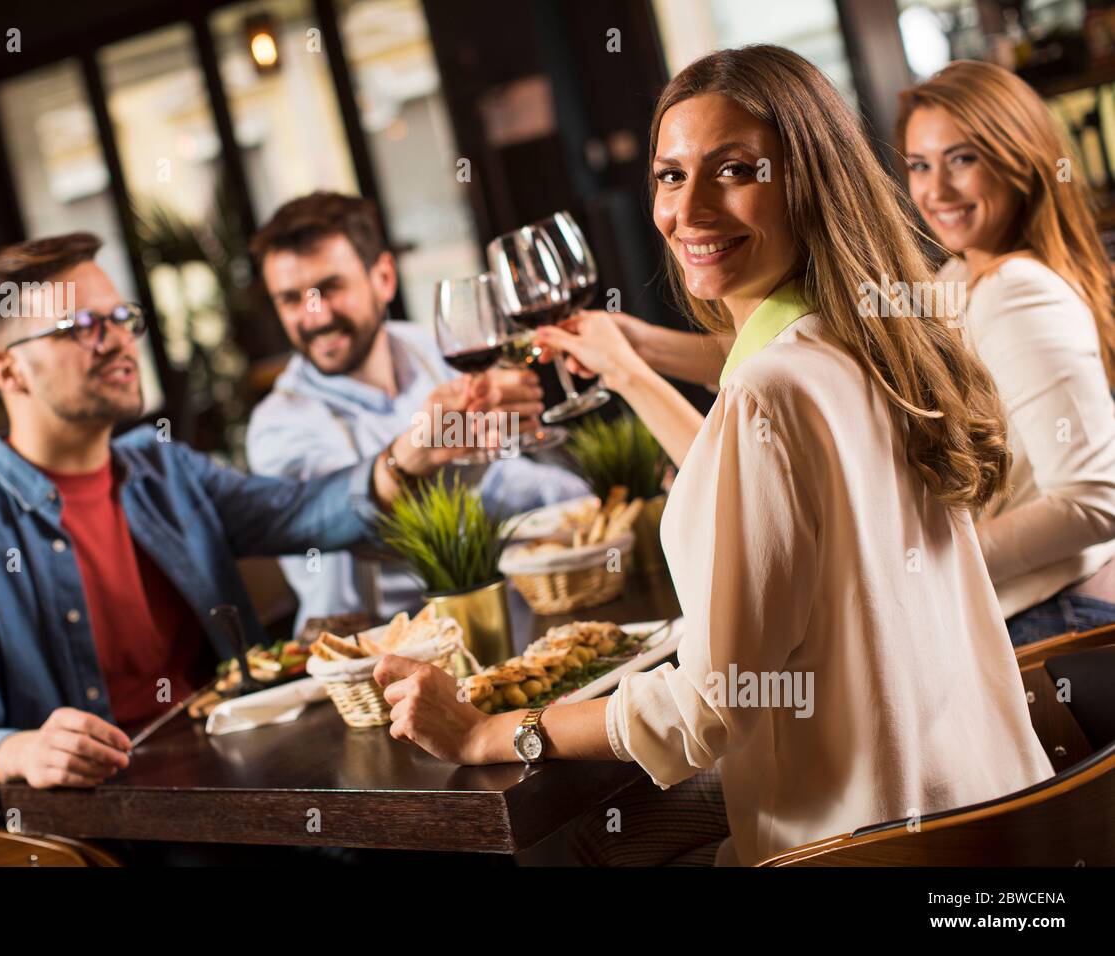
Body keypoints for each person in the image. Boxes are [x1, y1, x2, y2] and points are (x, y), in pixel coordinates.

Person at [370, 45, 1053, 866]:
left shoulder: (773, 389)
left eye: (735, 170)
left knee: (568, 853)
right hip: (987, 815)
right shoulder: (878, 339)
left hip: (854, 843)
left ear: (809, 179)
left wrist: (492, 732)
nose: (687, 211)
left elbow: (711, 709)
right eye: (669, 175)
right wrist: (632, 370)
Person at [0, 232, 523, 815]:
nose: (115, 339)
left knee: (466, 791)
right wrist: (19, 751)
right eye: (80, 326)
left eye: (120, 318)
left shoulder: (164, 470)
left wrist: (406, 454)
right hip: (130, 821)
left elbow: (300, 513)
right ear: (9, 370)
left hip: (253, 776)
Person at [246, 192, 588, 630]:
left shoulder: (425, 348)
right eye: (291, 299)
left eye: (329, 288)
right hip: (378, 657)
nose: (315, 316)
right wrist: (445, 447)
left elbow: (505, 482)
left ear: (384, 277)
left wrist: (594, 504)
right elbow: (369, 536)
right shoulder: (277, 426)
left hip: (503, 619)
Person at [899, 60, 1115, 646]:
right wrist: (643, 348)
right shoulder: (959, 275)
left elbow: (1094, 501)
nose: (934, 190)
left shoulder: (1018, 292)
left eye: (962, 159)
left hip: (1051, 618)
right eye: (919, 165)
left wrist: (931, 571)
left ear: (1018, 161)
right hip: (1036, 614)